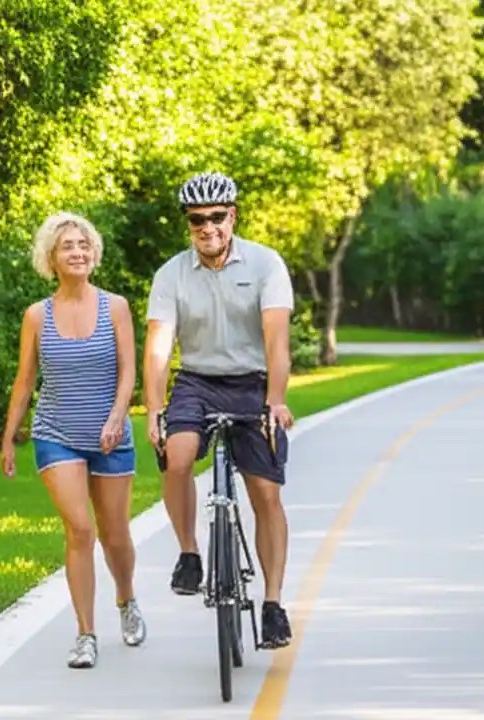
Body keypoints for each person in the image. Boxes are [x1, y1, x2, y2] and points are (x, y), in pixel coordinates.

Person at [143, 171, 296, 649]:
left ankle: (272, 605)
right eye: (197, 221)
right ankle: (190, 553)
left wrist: (275, 399)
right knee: (178, 453)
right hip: (197, 383)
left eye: (216, 217)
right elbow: (158, 348)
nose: (208, 227)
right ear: (188, 225)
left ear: (232, 215)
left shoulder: (266, 264)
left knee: (266, 495)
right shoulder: (171, 274)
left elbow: (276, 341)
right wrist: (153, 410)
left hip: (252, 383)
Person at [0, 211, 146, 669]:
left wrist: (117, 417)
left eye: (84, 244)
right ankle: (86, 633)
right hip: (56, 434)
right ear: (51, 258)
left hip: (110, 436)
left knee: (115, 535)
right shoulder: (36, 316)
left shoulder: (116, 306)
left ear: (94, 253)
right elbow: (25, 381)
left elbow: (129, 371)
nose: (78, 251)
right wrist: (9, 438)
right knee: (80, 529)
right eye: (68, 246)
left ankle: (126, 599)